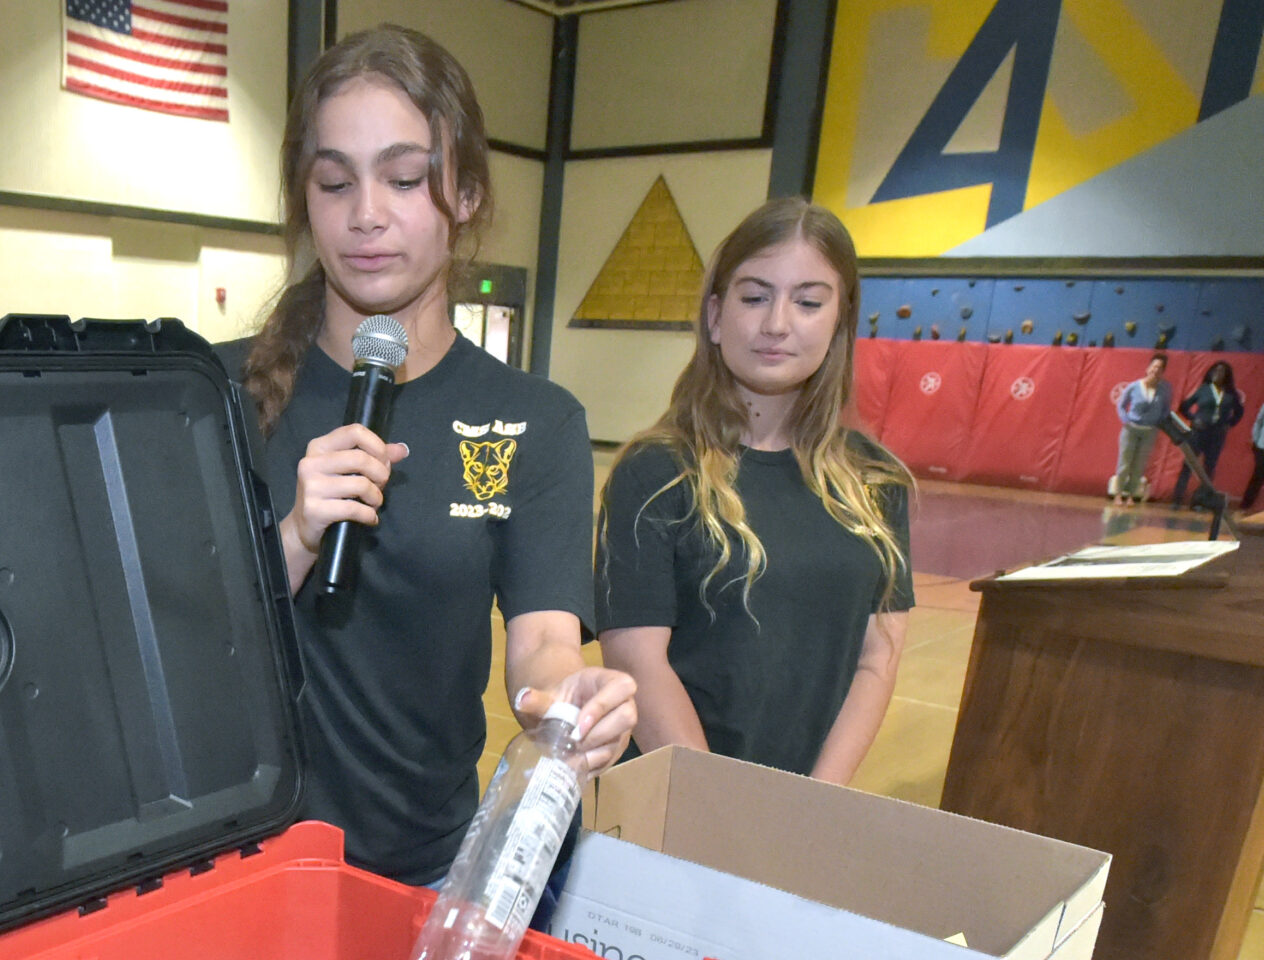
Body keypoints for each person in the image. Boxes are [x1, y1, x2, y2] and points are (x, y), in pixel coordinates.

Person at [221, 26, 635, 886]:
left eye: (405, 179)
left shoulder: (536, 421)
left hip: (421, 868)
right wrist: (294, 536)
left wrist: (569, 702)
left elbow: (547, 639)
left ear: (468, 192)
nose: (365, 213)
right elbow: (179, 632)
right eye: (334, 182)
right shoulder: (215, 389)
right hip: (237, 861)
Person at [592, 198, 912, 784]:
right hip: (675, 798)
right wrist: (719, 810)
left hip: (799, 812)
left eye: (809, 302)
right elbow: (637, 657)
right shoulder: (655, 471)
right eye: (755, 296)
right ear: (716, 315)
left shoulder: (875, 480)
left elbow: (876, 659)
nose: (777, 324)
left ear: (840, 321)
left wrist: (817, 799)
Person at [1175, 359, 1244, 509]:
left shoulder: (1231, 394)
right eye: (1215, 371)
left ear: (1226, 376)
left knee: (1209, 468)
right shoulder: (1203, 389)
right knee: (1188, 464)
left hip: (1217, 435)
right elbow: (1184, 406)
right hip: (1198, 433)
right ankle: (1177, 500)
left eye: (1221, 372)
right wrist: (1194, 419)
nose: (1217, 374)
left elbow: (1239, 412)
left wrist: (1229, 423)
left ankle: (1199, 500)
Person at [1112, 354, 1170, 504]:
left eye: (1159, 368)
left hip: (1149, 431)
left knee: (1139, 465)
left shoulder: (1164, 389)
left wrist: (1158, 422)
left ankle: (1131, 495)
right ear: (1148, 368)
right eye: (1154, 366)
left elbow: (1165, 409)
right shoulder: (1134, 386)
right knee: (1125, 462)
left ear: (1163, 371)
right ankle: (1118, 494)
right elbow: (1121, 405)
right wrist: (1126, 420)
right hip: (1131, 429)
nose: (1156, 370)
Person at [1245, 395, 1264, 512]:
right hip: (1262, 445)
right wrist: (1255, 438)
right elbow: (1259, 421)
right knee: (1258, 475)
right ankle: (1246, 504)